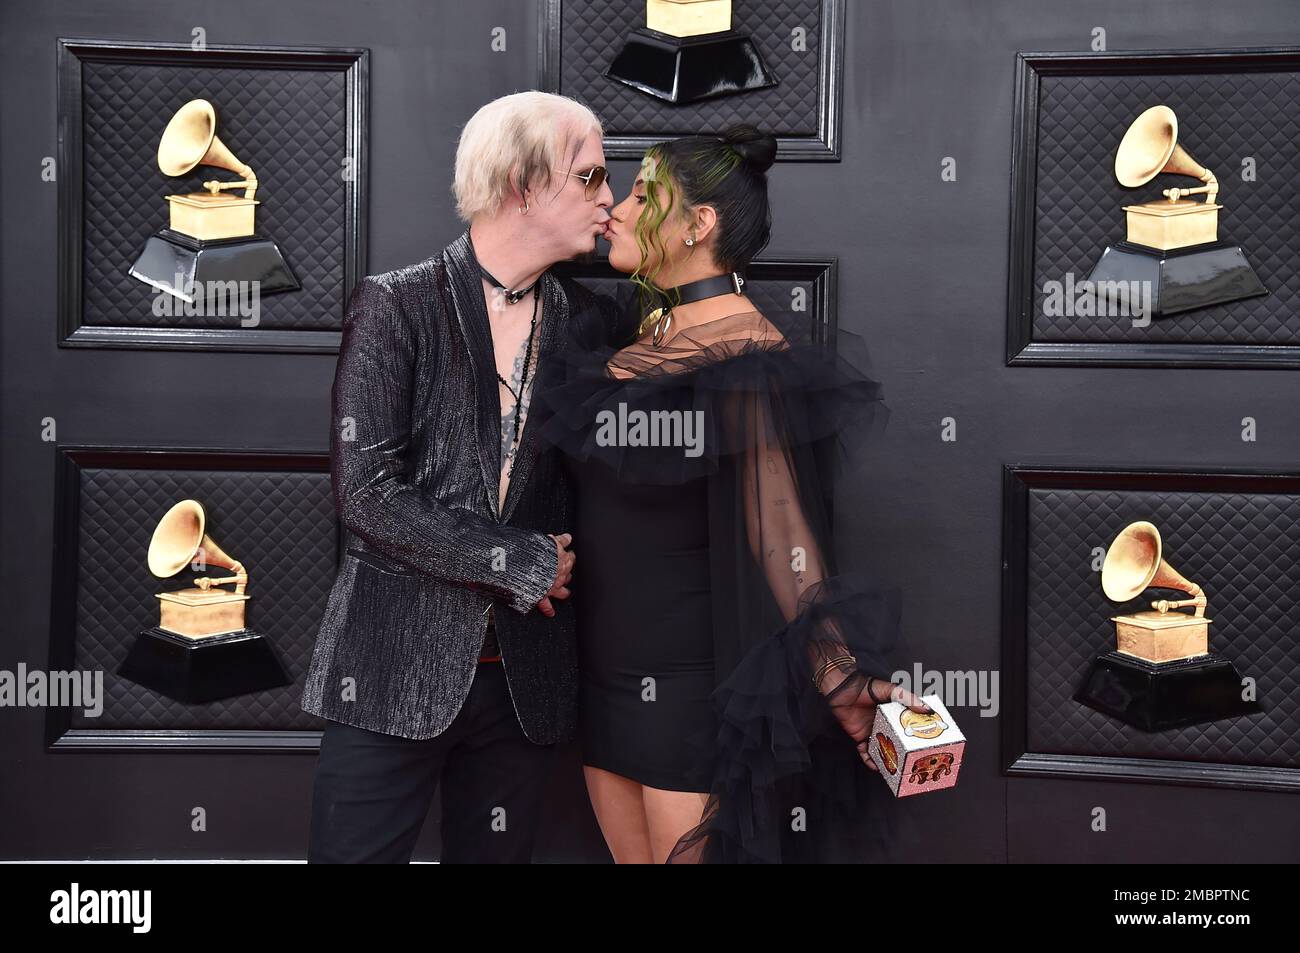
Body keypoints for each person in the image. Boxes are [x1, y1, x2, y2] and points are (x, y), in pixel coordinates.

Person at [533, 124, 930, 863]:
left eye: (644, 194)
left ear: (699, 224)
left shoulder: (747, 356)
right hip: (604, 683)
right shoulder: (630, 342)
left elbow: (781, 528)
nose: (616, 207)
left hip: (689, 698)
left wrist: (836, 670)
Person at [300, 91, 615, 863]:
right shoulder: (395, 305)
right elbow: (366, 492)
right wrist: (519, 560)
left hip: (525, 684)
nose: (609, 198)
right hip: (386, 671)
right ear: (521, 184)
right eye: (591, 176)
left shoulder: (596, 322)